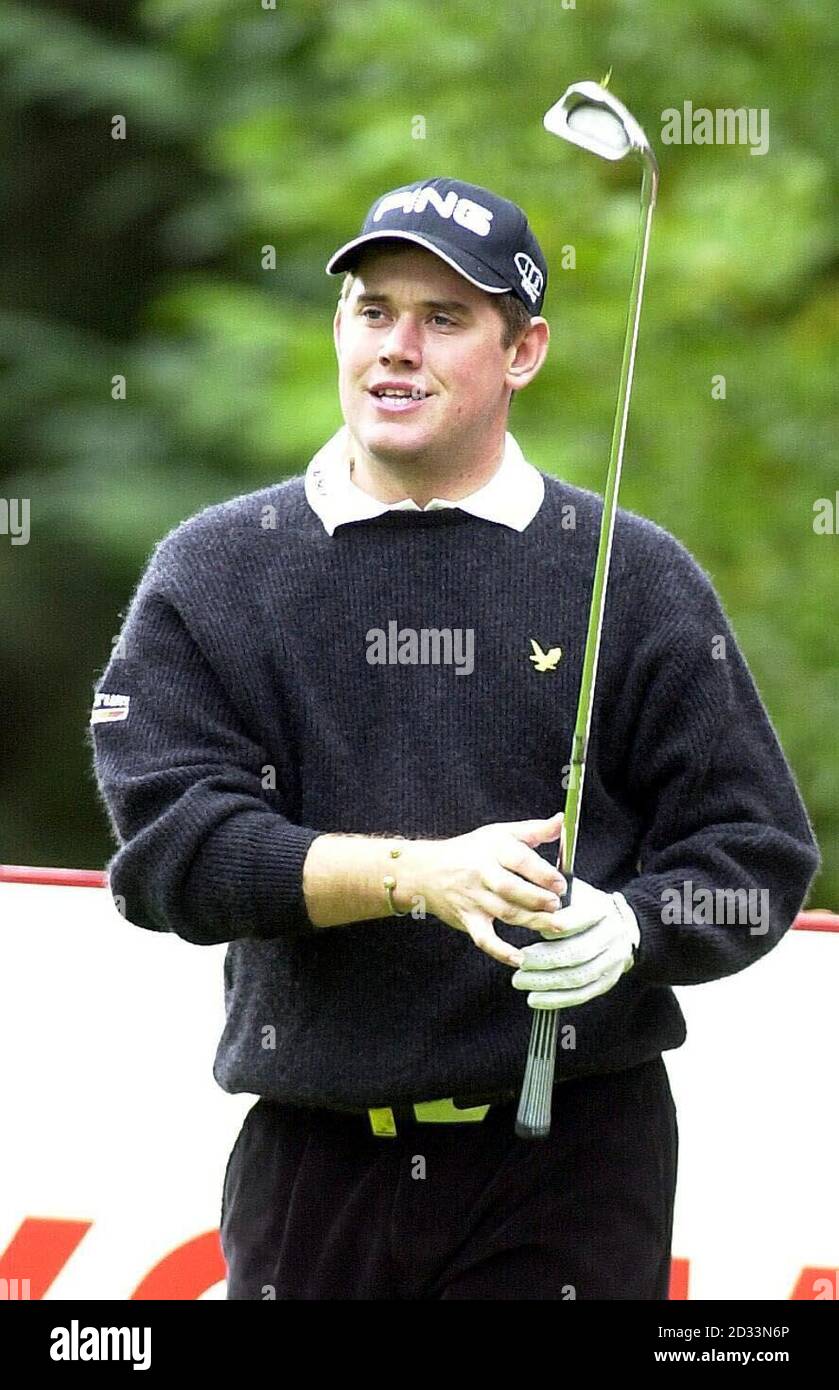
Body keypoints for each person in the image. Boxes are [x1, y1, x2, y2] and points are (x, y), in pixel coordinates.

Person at [89, 177, 821, 1301]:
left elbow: (754, 848)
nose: (396, 348)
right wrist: (414, 875)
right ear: (338, 327)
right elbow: (172, 855)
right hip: (315, 1161)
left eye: (443, 319)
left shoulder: (630, 574)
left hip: (570, 1159)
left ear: (521, 351)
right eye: (373, 310)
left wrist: (635, 925)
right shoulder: (217, 571)